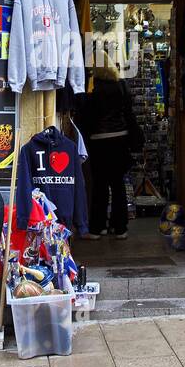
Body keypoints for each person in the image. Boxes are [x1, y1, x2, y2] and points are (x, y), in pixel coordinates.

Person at [76, 62, 142, 240]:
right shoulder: (121, 87)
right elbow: (129, 113)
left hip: (100, 141)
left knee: (100, 185)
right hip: (120, 139)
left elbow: (87, 117)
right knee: (118, 184)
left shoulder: (94, 89)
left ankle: (98, 228)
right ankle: (120, 227)